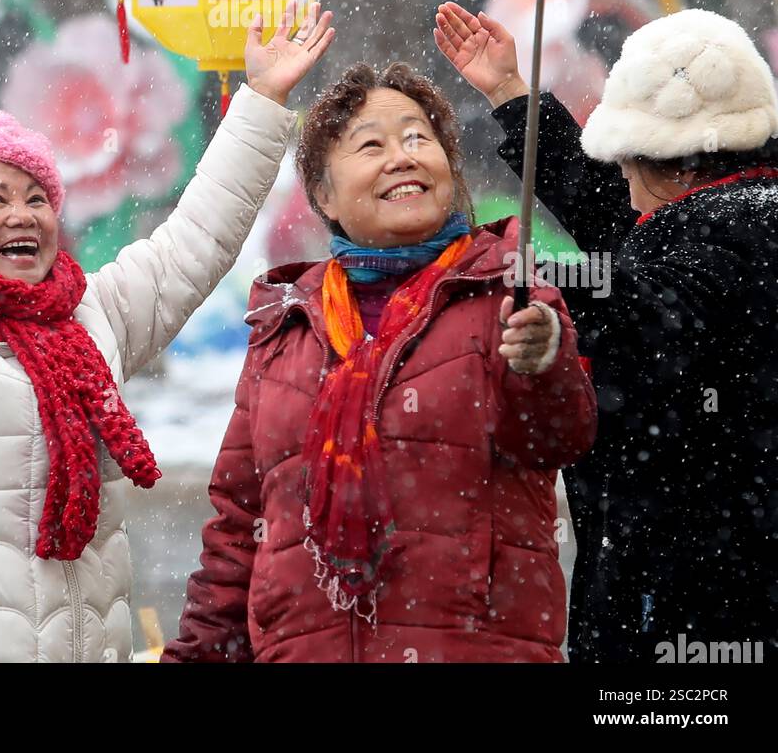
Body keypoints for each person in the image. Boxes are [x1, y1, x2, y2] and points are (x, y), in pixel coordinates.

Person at [0, 1, 334, 663]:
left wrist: (261, 100)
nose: (23, 216)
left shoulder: (91, 318)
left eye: (37, 199)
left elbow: (197, 240)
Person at [162, 61, 596, 663]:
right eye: (372, 145)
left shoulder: (508, 293)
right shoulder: (284, 326)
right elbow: (240, 529)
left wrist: (543, 359)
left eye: (420, 138)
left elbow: (558, 433)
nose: (403, 156)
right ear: (323, 194)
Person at [435, 1, 778, 663]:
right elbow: (601, 208)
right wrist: (510, 92)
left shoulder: (733, 238)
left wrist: (526, 280)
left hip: (700, 600)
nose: (619, 179)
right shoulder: (727, 210)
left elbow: (657, 305)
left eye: (626, 159)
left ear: (673, 163)